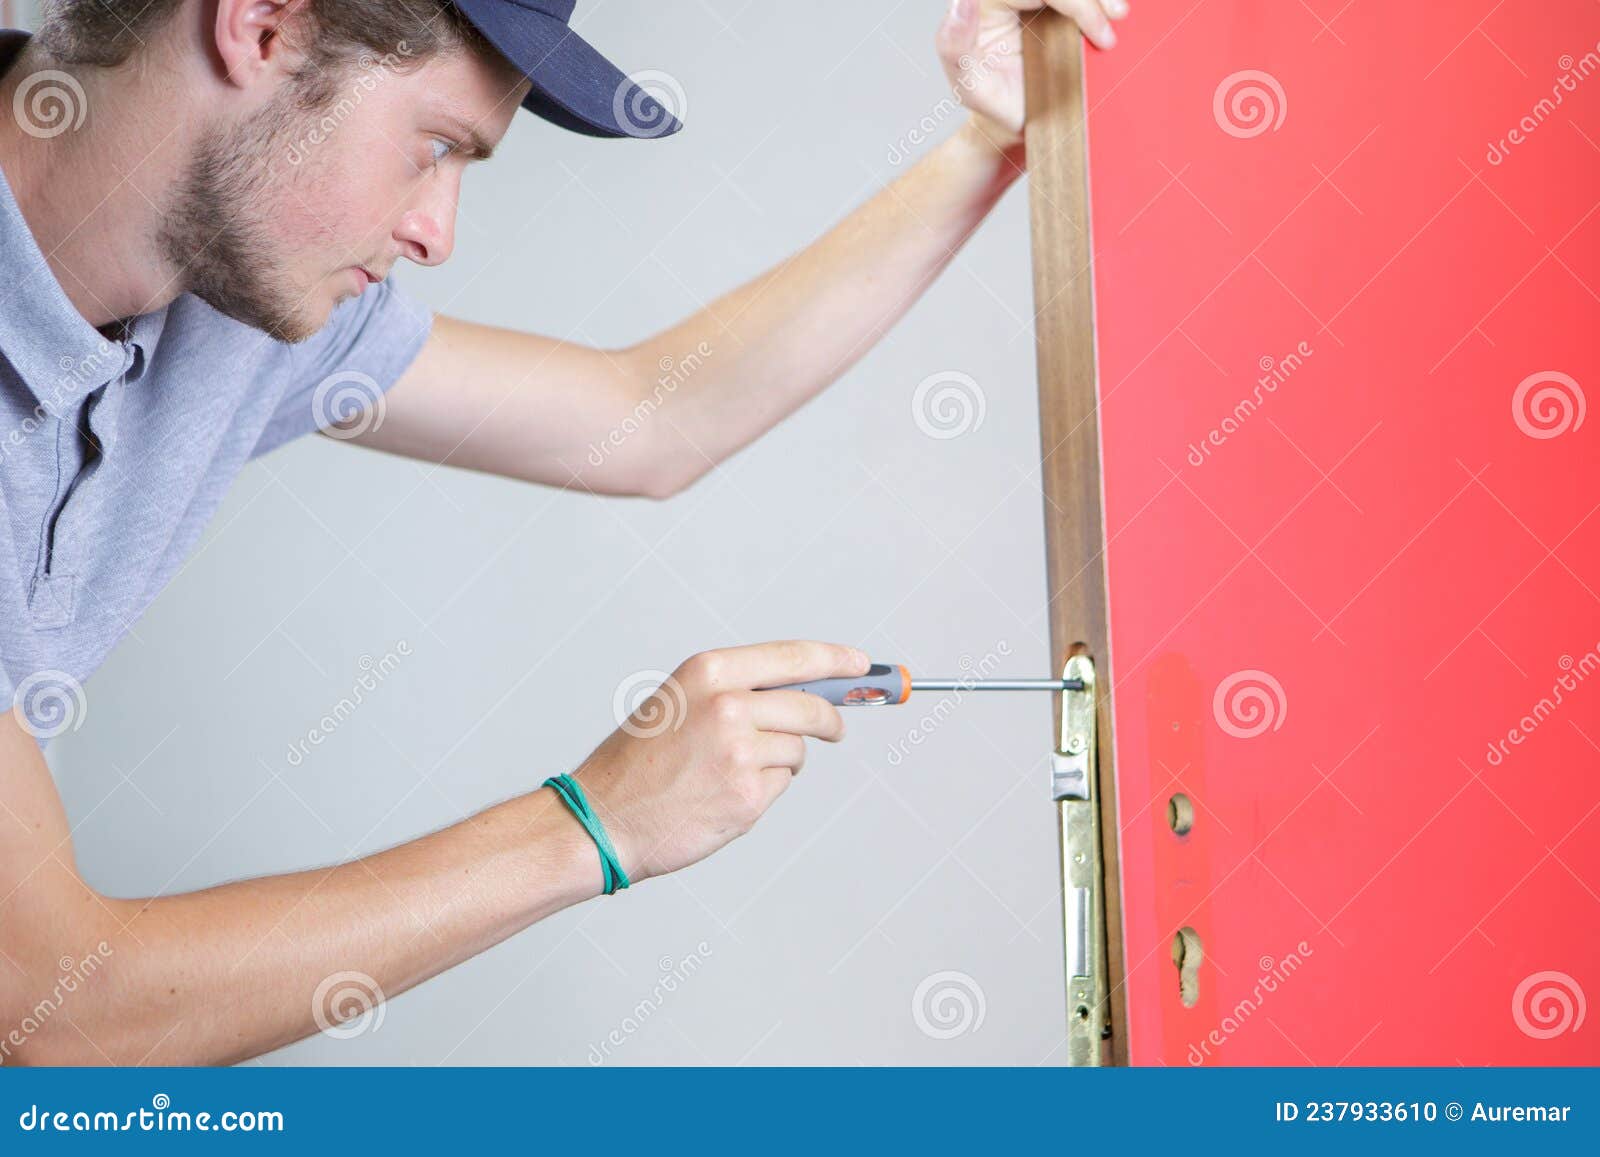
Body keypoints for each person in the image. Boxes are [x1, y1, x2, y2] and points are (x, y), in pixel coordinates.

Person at [0, 0, 1127, 1065]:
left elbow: (650, 419)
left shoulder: (236, 296)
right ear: (263, 23)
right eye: (433, 144)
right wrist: (594, 824)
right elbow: (48, 1007)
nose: (435, 233)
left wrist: (984, 141)